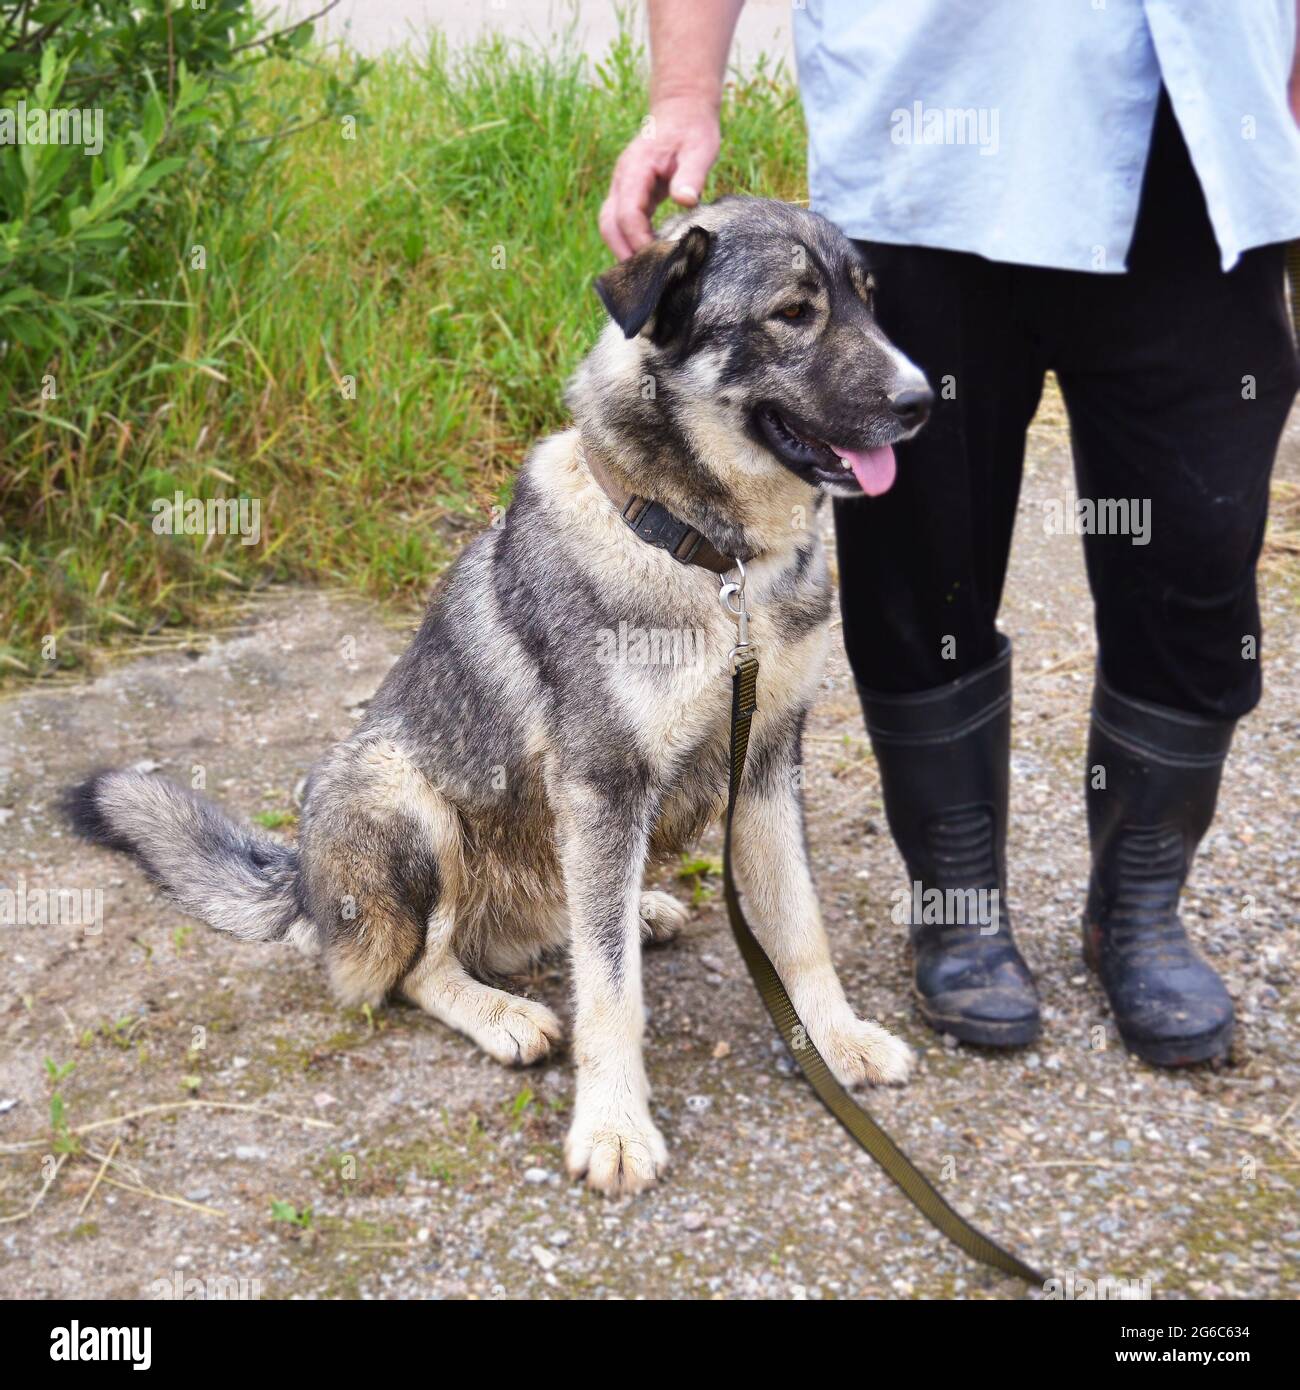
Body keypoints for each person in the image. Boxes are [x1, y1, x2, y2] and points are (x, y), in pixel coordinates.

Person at [600, 0, 1300, 1066]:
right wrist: (685, 95)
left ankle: (1142, 905)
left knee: (1198, 553)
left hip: (1207, 146)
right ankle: (957, 897)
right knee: (921, 559)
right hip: (931, 136)